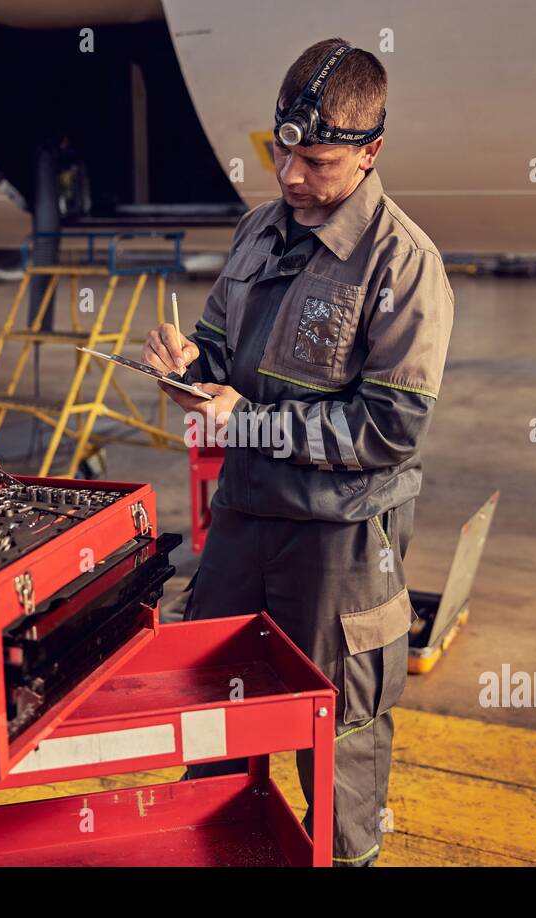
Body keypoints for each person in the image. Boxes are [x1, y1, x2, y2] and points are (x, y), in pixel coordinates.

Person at [143, 38, 454, 866]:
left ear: (369, 152)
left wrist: (245, 420)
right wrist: (187, 369)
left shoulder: (404, 264)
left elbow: (387, 429)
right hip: (245, 520)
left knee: (339, 732)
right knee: (215, 711)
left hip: (342, 540)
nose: (289, 177)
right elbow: (217, 356)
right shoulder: (256, 233)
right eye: (284, 152)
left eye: (315, 161)